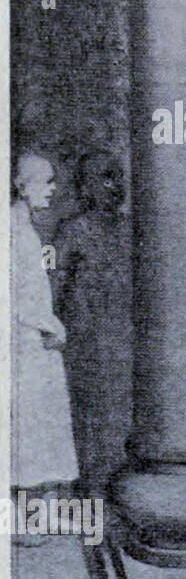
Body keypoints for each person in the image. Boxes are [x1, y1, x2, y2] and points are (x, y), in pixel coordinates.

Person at [52, 150, 132, 493]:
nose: (116, 186)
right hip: (86, 344)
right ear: (84, 187)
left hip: (127, 340)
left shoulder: (132, 227)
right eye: (105, 177)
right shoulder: (71, 231)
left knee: (124, 420)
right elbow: (51, 284)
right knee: (92, 422)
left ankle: (120, 493)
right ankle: (94, 495)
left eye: (118, 176)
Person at [11, 153, 79, 544]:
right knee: (29, 429)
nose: (52, 189)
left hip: (38, 344)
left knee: (48, 425)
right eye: (46, 181)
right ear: (22, 185)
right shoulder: (12, 230)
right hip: (23, 344)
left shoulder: (25, 228)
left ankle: (47, 513)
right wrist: (48, 327)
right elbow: (17, 298)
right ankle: (23, 521)